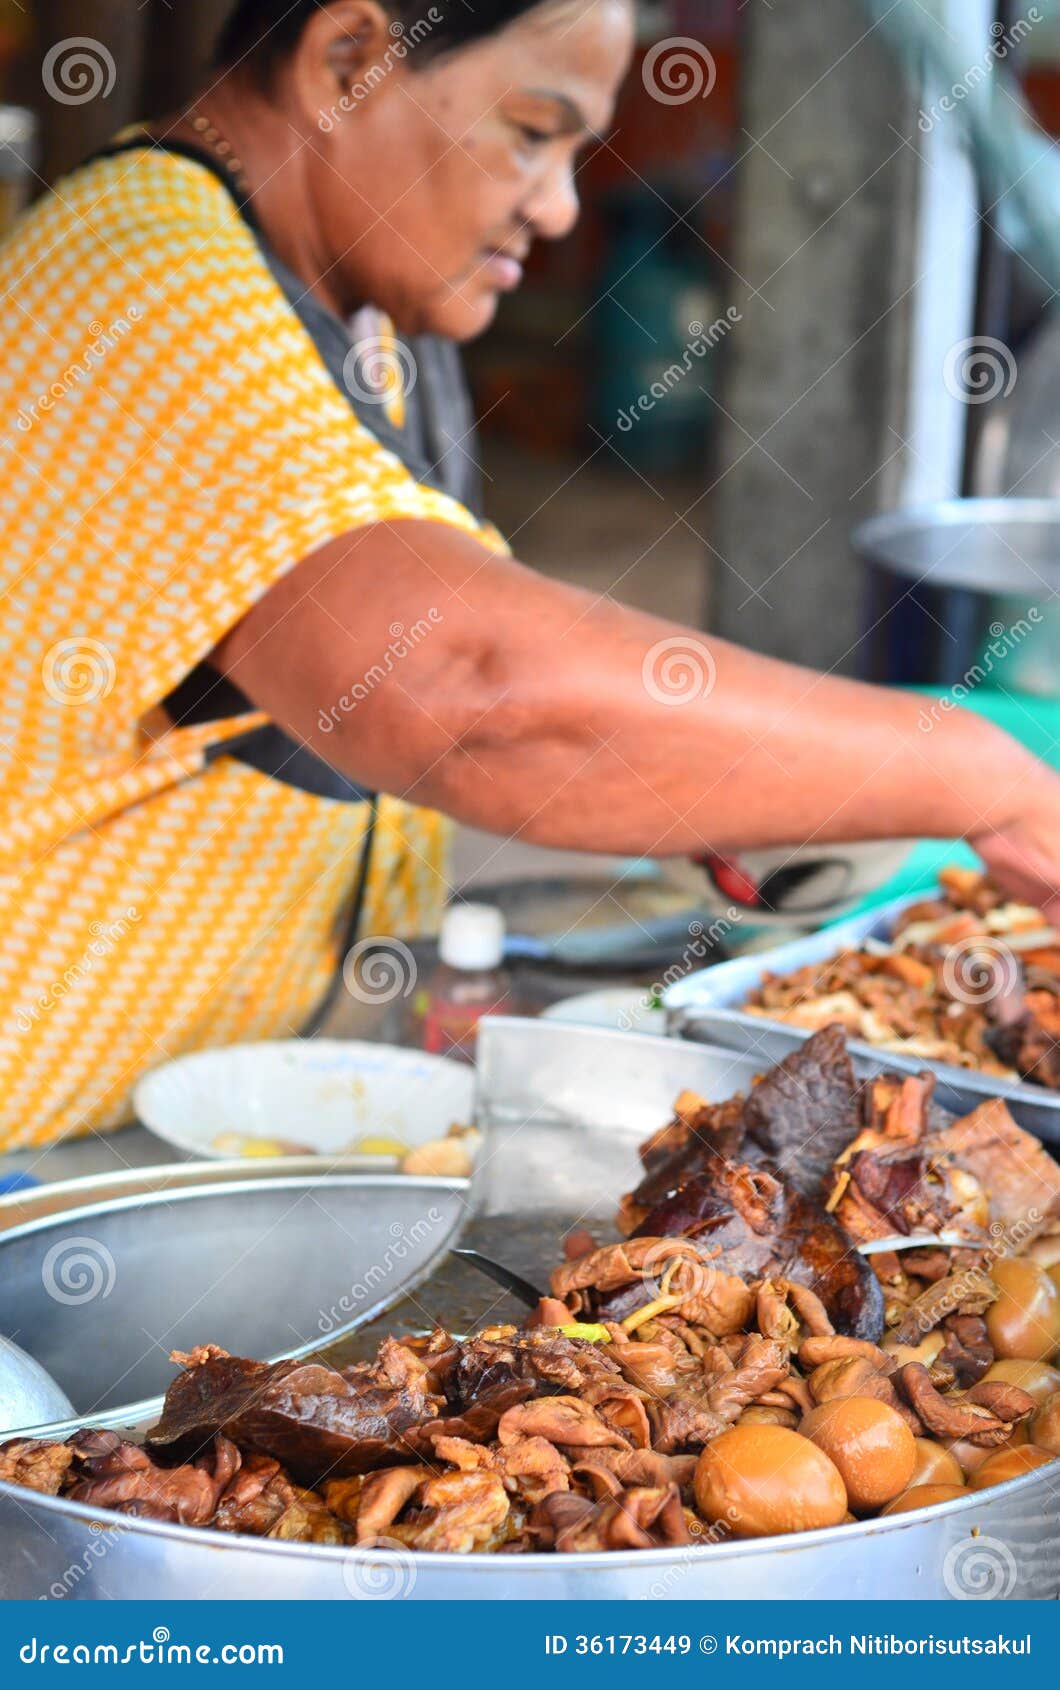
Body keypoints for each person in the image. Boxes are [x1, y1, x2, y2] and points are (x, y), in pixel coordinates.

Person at [1, 0, 1058, 1149]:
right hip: (44, 1164)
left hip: (215, 1115)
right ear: (347, 60)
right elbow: (469, 690)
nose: (557, 207)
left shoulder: (363, 307)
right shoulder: (148, 289)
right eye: (530, 131)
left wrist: (717, 780)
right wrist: (975, 773)